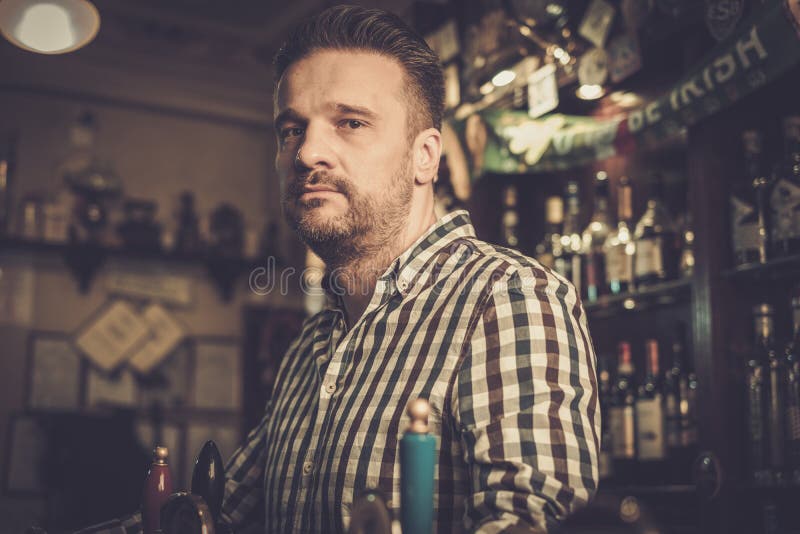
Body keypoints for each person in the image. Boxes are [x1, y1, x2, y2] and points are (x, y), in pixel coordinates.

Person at [79, 5, 598, 534]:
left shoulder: (509, 299)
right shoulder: (314, 344)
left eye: (350, 123)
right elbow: (212, 517)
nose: (307, 152)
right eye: (290, 129)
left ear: (425, 157)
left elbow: (530, 521)